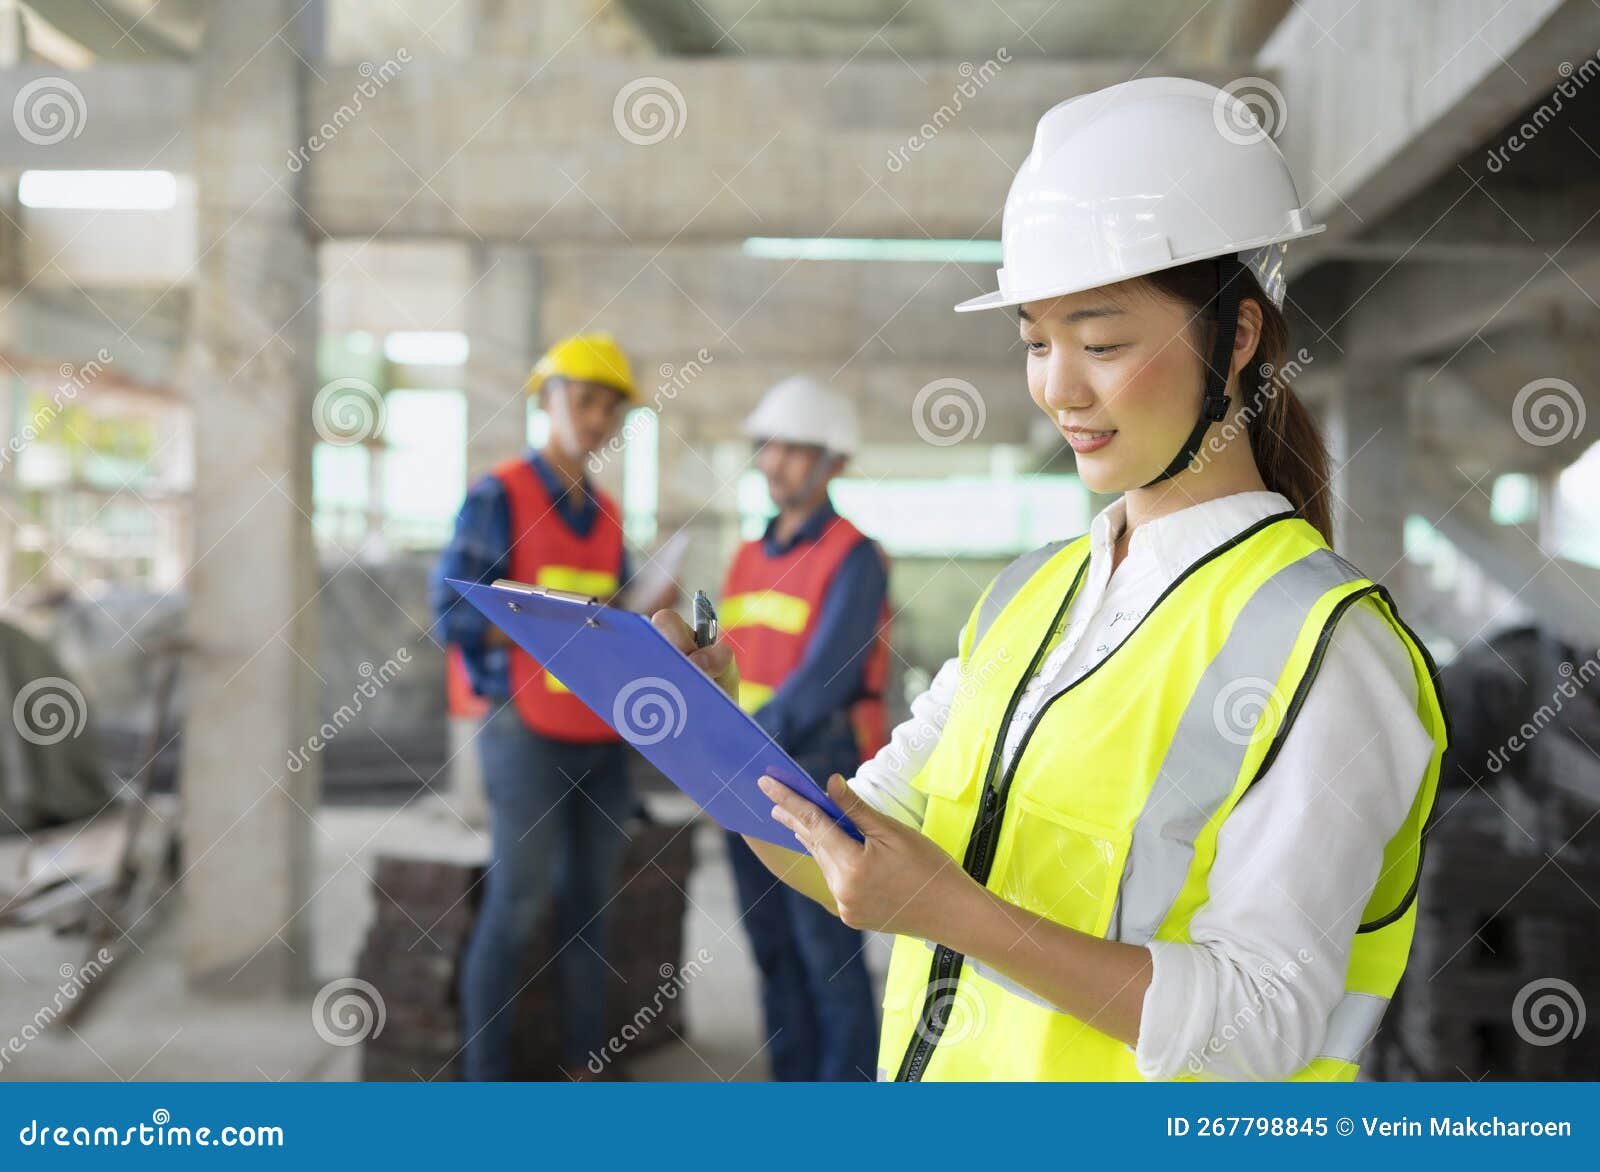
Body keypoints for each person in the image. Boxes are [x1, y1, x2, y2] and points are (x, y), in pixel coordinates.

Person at [652, 77, 1448, 1082]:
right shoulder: (1029, 596)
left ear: (1237, 337)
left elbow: (1255, 1028)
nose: (1058, 388)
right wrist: (702, 728)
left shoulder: (1331, 652)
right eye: (1034, 340)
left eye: (1102, 341)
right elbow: (845, 854)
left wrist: (955, 913)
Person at [431, 331, 673, 1081]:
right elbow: (453, 612)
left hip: (600, 738)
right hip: (524, 733)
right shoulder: (499, 495)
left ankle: (583, 1073)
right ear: (547, 401)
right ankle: (488, 1089)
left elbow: (617, 624)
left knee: (591, 912)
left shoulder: (604, 515)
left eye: (609, 406)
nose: (596, 417)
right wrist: (552, 623)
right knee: (518, 905)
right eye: (584, 399)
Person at [717, 375, 891, 1082]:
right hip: (741, 767)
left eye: (795, 450)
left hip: (814, 771)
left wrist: (734, 739)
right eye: (768, 448)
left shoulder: (855, 556)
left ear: (833, 464)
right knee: (772, 949)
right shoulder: (745, 556)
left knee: (827, 954)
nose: (775, 463)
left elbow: (826, 678)